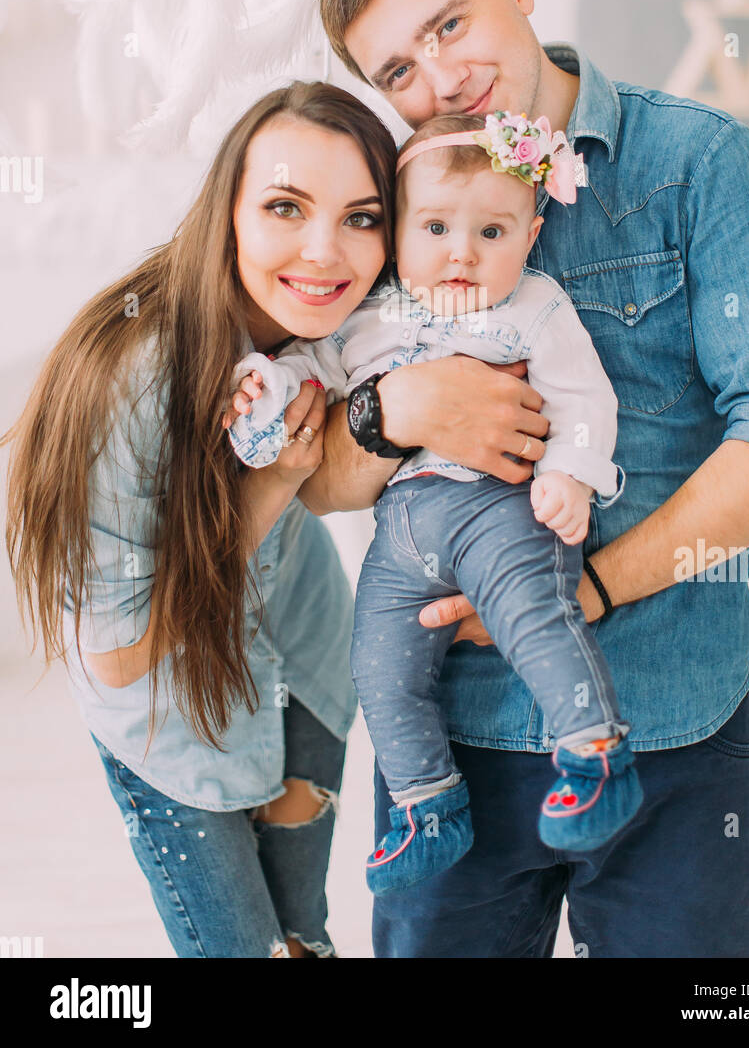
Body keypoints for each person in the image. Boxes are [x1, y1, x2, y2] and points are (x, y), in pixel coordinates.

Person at [298, 0, 749, 958]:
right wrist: (395, 411)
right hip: (447, 745)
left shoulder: (696, 165)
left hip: (668, 734)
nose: (441, 76)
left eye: (449, 24)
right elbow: (319, 475)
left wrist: (587, 587)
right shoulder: (391, 196)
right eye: (399, 68)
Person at [3, 81, 397, 958]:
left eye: (363, 217)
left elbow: (344, 483)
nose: (326, 250)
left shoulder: (340, 325)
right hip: (169, 719)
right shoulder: (132, 380)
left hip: (303, 648)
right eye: (286, 207)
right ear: (228, 210)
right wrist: (265, 494)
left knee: (304, 941)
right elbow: (117, 658)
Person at [227, 108, 642, 895]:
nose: (462, 252)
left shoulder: (535, 306)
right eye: (437, 227)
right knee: (377, 663)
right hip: (404, 529)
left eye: (493, 232)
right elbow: (310, 371)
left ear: (530, 233)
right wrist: (266, 383)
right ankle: (427, 804)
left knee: (536, 618)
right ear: (399, 233)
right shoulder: (367, 312)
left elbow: (585, 396)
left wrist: (572, 472)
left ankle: (593, 753)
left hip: (504, 508)